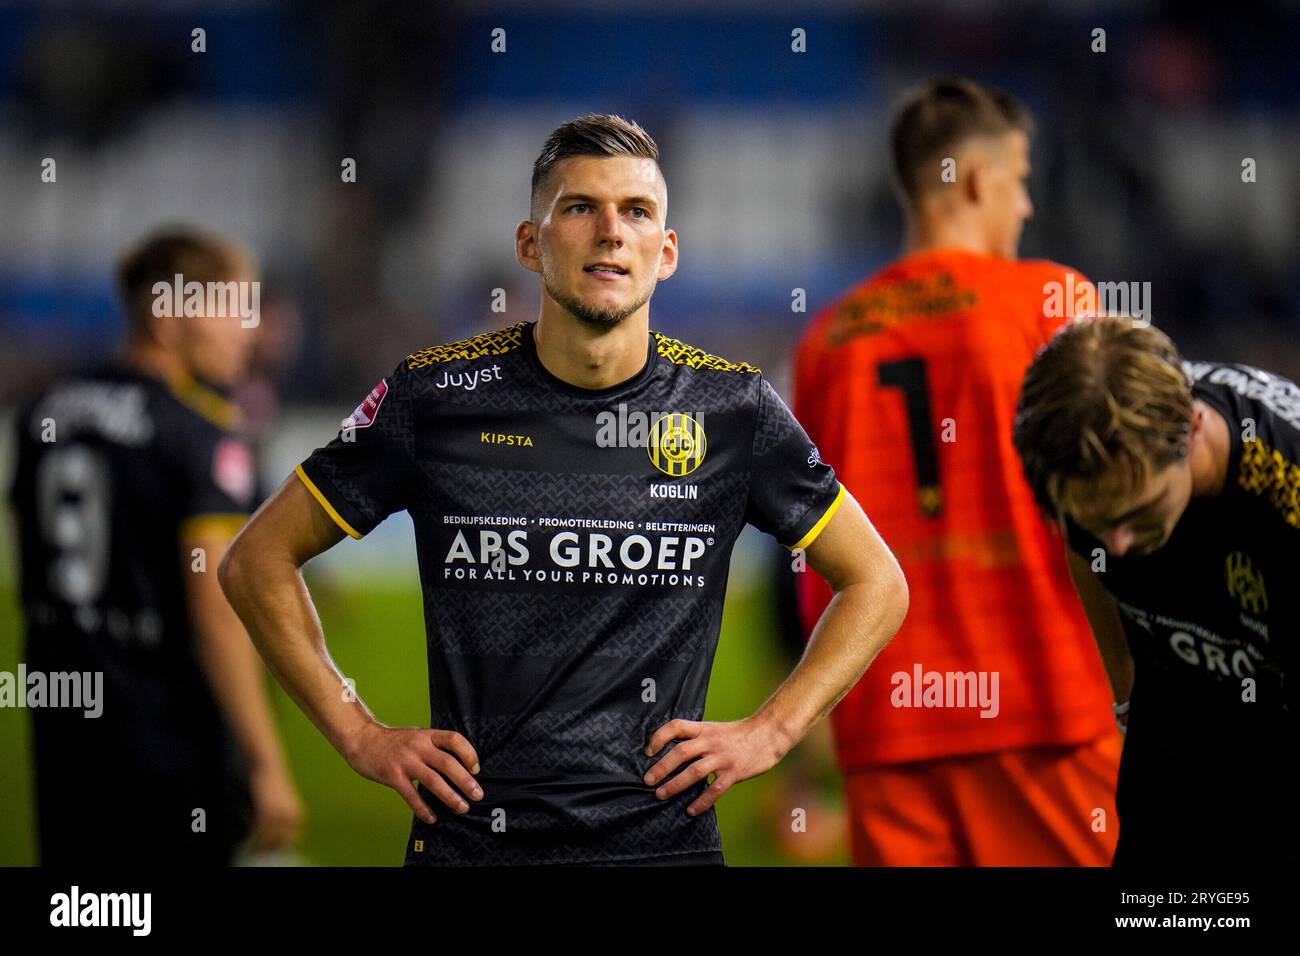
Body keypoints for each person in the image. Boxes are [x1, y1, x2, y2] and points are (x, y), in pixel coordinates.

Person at [219, 113, 909, 866]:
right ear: (529, 243)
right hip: (472, 846)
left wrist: (773, 731)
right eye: (579, 208)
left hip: (662, 850)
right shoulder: (436, 398)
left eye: (637, 212)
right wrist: (358, 733)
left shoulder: (731, 411)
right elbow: (256, 560)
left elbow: (877, 581)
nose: (611, 231)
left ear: (666, 252)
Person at [793, 77, 1120, 865]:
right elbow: (1115, 509)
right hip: (1046, 705)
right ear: (977, 180)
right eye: (1021, 180)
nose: (1028, 207)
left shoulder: (828, 344)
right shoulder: (1054, 300)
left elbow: (814, 553)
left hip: (888, 724)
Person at [9, 228, 303, 865]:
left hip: (62, 726)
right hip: (168, 732)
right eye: (233, 308)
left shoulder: (43, 414)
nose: (247, 332)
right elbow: (216, 615)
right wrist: (264, 761)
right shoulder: (198, 434)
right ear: (171, 316)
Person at [1013, 314, 1298, 866]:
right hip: (1178, 699)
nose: (1117, 546)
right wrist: (1127, 696)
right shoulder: (1069, 461)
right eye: (1098, 521)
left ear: (1192, 432)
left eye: (1140, 514)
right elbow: (1082, 548)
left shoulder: (1286, 483)